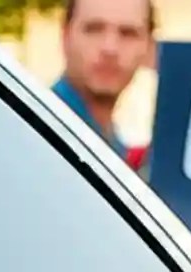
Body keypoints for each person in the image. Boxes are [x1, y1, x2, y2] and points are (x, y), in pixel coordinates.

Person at [52, 0, 155, 158]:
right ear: (65, 37)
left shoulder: (118, 154)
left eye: (128, 33)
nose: (110, 48)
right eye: (94, 29)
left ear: (149, 47)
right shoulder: (36, 131)